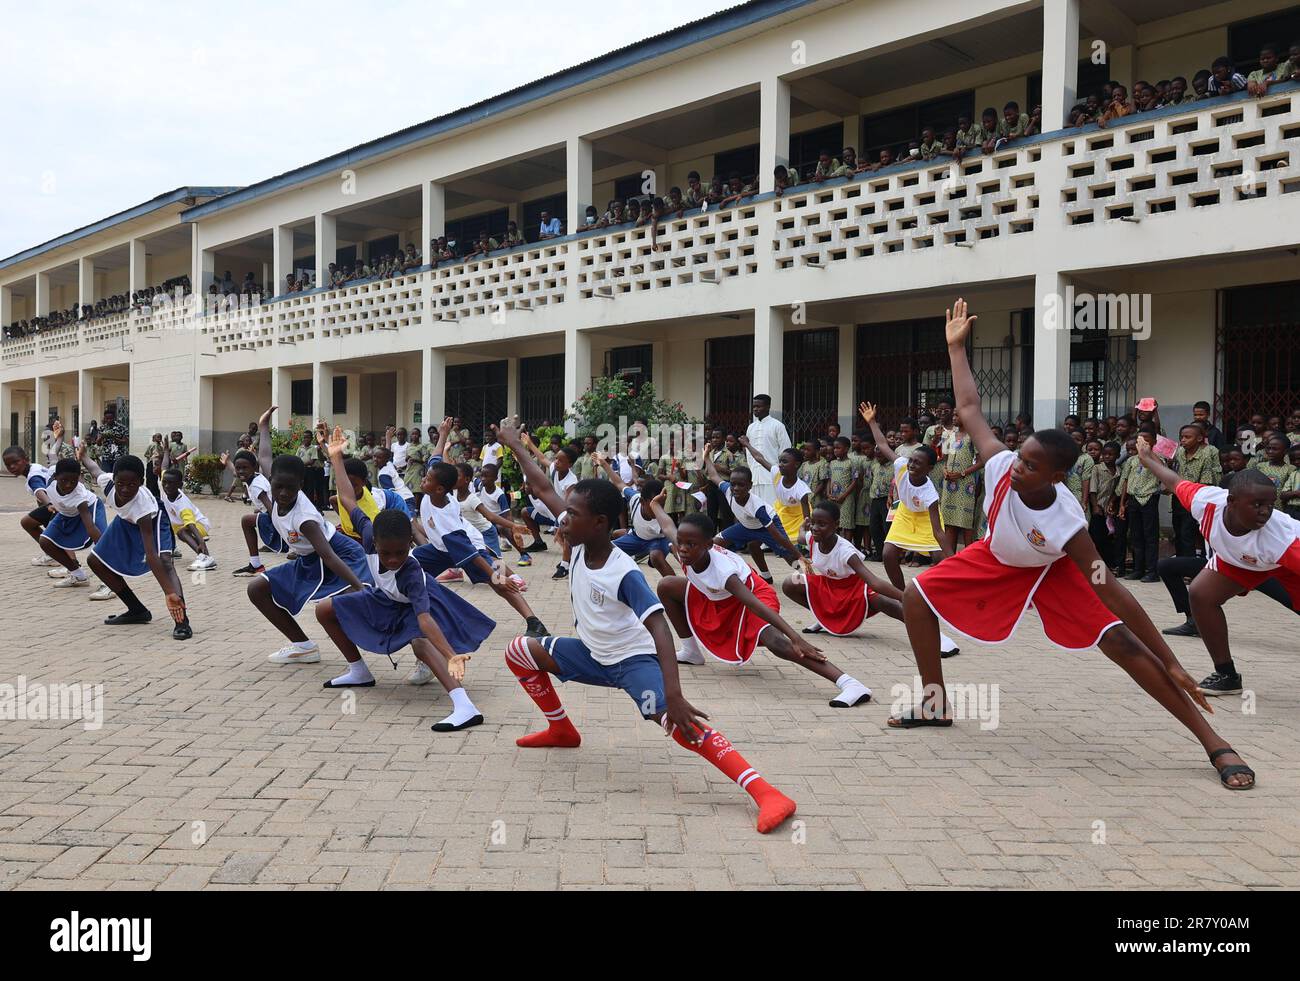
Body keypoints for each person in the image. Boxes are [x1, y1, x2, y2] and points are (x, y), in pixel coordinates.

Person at [890, 299, 1253, 792]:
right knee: (917, 596)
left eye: (1032, 465)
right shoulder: (999, 465)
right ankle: (935, 702)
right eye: (1021, 456)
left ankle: (1212, 740)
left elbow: (1112, 591)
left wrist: (1169, 658)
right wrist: (956, 349)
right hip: (998, 557)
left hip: (1052, 567)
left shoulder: (1067, 521)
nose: (1018, 466)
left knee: (1120, 641)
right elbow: (970, 408)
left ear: (1057, 477)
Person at [493, 417, 797, 835]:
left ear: (599, 522)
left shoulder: (623, 572)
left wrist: (673, 693)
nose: (561, 521)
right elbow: (543, 487)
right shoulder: (582, 536)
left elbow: (659, 630)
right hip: (591, 653)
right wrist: (514, 444)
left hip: (634, 661)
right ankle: (562, 730)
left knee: (681, 726)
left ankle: (766, 792)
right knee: (518, 652)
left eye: (571, 516)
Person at [317, 428, 493, 731]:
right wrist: (335, 458)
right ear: (375, 543)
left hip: (418, 603)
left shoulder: (410, 572)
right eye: (387, 554)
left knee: (420, 644)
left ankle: (465, 706)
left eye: (401, 552)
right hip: (385, 598)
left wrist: (451, 655)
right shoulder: (371, 532)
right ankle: (359, 671)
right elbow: (347, 498)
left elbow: (424, 619)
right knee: (325, 609)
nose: (394, 559)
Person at [1136, 436, 1300, 698]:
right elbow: (1173, 481)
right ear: (1231, 501)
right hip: (1236, 560)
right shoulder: (1206, 502)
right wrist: (1147, 458)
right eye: (1257, 504)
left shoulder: (1281, 537)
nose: (1265, 512)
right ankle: (1226, 675)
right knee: (1200, 594)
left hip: (1281, 562)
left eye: (1270, 505)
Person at [244, 406, 375, 665]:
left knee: (345, 608)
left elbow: (328, 555)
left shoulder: (305, 519)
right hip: (310, 560)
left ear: (300, 486)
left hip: (340, 556)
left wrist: (360, 587)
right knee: (257, 589)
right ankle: (303, 646)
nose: (282, 493)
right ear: (270, 481)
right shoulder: (275, 482)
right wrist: (263, 426)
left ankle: (369, 655)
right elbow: (266, 456)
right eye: (278, 486)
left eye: (290, 489)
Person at [412, 419, 549, 639]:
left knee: (497, 582)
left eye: (427, 479)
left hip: (471, 546)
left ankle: (534, 622)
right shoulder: (433, 489)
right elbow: (435, 457)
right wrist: (444, 434)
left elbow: (470, 554)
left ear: (438, 489)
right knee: (409, 564)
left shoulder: (448, 520)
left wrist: (497, 577)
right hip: (439, 549)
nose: (423, 479)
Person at [782, 501, 961, 656]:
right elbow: (800, 537)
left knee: (886, 603)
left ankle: (937, 637)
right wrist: (802, 527)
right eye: (813, 523)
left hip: (854, 591)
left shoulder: (846, 551)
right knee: (791, 583)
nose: (815, 528)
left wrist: (905, 597)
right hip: (829, 587)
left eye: (821, 524)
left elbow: (874, 581)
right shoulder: (813, 537)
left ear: (836, 525)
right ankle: (824, 619)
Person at [76, 443, 192, 640]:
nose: (125, 489)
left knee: (165, 563)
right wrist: (83, 455)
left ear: (141, 482)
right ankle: (136, 610)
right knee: (95, 561)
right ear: (113, 480)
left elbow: (150, 554)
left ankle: (182, 620)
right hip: (126, 520)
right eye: (121, 483)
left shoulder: (143, 506)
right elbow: (94, 468)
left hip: (153, 520)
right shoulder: (108, 483)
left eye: (132, 485)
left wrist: (167, 592)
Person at [860, 403, 952, 589]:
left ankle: (941, 591)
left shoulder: (930, 494)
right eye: (911, 460)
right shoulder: (901, 464)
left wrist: (954, 558)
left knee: (939, 558)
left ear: (929, 469)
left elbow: (938, 532)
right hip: (904, 512)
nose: (912, 465)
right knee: (888, 554)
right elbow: (883, 444)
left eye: (918, 463)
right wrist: (872, 422)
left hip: (925, 518)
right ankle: (902, 595)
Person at [700, 452, 801, 584]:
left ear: (749, 486)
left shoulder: (757, 507)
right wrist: (706, 457)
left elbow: (776, 535)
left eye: (741, 485)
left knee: (788, 554)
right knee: (715, 544)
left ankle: (805, 574)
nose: (735, 488)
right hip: (746, 526)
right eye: (733, 484)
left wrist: (798, 554)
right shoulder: (728, 491)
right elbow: (713, 475)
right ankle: (766, 576)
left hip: (767, 527)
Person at [28, 453, 107, 591]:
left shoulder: (79, 496)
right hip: (66, 513)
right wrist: (58, 438)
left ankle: (109, 583)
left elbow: (90, 526)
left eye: (73, 481)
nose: (68, 485)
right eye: (64, 480)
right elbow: (53, 455)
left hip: (90, 508)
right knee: (45, 541)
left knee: (101, 542)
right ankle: (78, 576)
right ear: (56, 476)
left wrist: (101, 547)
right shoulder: (51, 473)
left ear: (79, 478)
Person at [596, 454, 675, 578]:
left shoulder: (663, 520)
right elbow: (619, 483)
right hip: (637, 538)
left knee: (655, 557)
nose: (659, 509)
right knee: (606, 551)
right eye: (654, 505)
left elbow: (674, 543)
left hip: (658, 542)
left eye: (662, 505)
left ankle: (676, 589)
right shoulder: (634, 498)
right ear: (642, 502)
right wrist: (604, 463)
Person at [739, 438, 811, 555]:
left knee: (798, 537)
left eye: (785, 462)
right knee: (774, 531)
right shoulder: (776, 472)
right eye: (780, 461)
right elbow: (759, 458)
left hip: (798, 515)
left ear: (797, 464)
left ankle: (804, 549)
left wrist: (806, 535)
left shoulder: (802, 490)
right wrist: (747, 444)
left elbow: (807, 519)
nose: (780, 465)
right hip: (782, 510)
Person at [158, 465, 216, 572]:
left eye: (170, 484)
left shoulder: (182, 505)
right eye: (164, 482)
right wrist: (166, 450)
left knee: (181, 532)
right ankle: (170, 550)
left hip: (200, 525)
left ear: (179, 485)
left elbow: (191, 525)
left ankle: (205, 557)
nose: (166, 486)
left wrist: (201, 542)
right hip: (181, 524)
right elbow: (164, 467)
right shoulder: (166, 487)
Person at [745, 394, 791, 510]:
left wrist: (779, 472)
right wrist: (752, 470)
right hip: (755, 477)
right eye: (754, 406)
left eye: (759, 406)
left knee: (772, 510)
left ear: (767, 407)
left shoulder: (777, 426)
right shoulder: (751, 427)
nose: (755, 409)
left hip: (772, 477)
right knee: (756, 510)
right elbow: (749, 453)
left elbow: (785, 450)